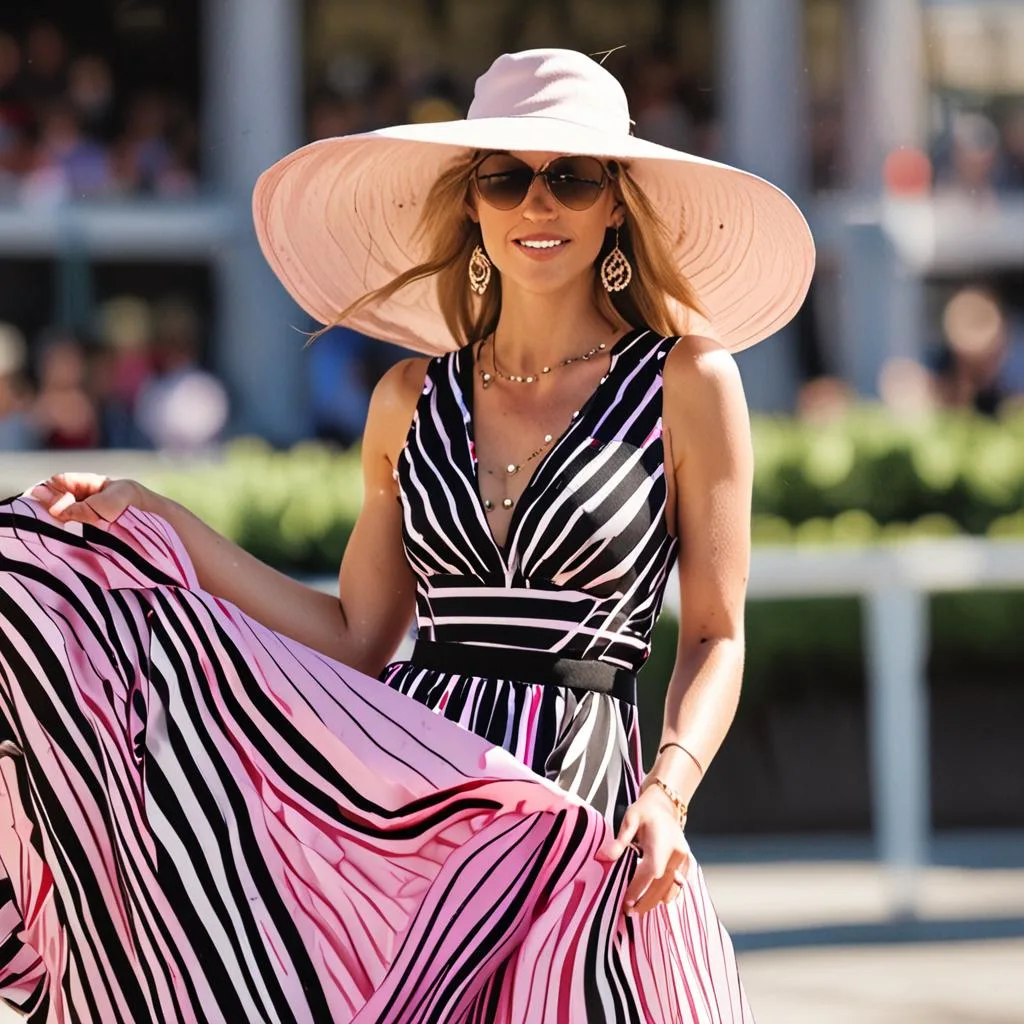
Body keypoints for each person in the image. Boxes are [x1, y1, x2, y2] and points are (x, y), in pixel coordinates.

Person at [0, 49, 813, 1022]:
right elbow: (356, 634)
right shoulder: (407, 398)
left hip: (583, 804)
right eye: (506, 178)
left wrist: (667, 792)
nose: (537, 203)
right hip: (412, 804)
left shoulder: (688, 382)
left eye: (571, 176)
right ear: (472, 204)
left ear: (614, 203)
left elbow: (717, 633)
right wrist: (166, 522)